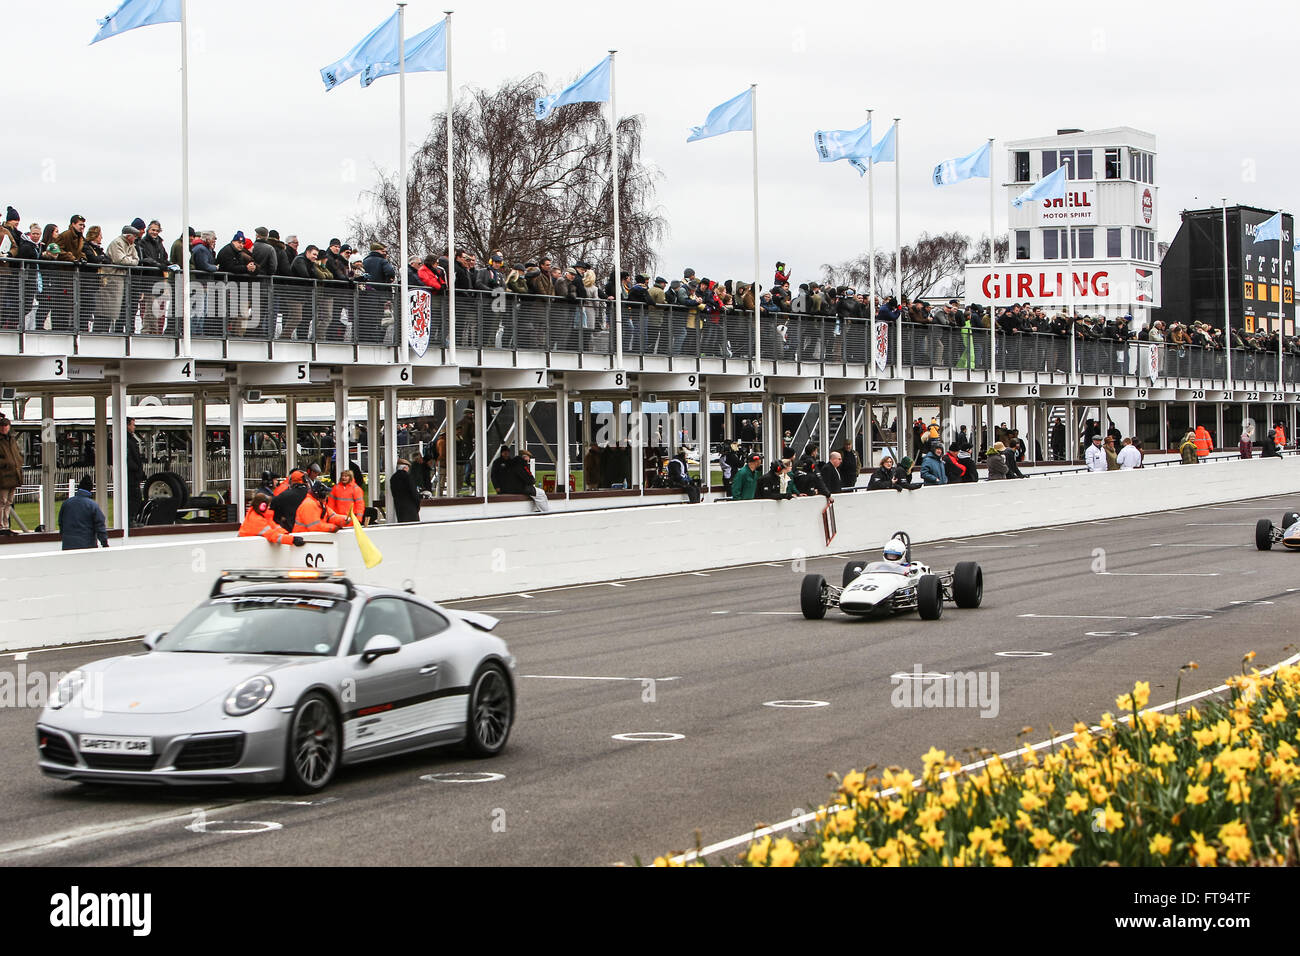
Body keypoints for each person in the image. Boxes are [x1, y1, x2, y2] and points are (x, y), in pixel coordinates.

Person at [59, 475, 108, 550]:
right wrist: (105, 544)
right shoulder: (92, 505)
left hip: (68, 545)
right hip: (87, 545)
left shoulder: (66, 503)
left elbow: (61, 523)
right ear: (90, 489)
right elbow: (100, 526)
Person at [238, 493, 303, 546]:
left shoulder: (263, 516)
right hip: (245, 547)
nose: (269, 507)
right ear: (262, 506)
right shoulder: (256, 520)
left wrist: (285, 534)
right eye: (268, 505)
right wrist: (291, 539)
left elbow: (275, 527)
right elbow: (272, 535)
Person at [0, 415, 20, 531]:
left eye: (5, 426)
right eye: (2, 426)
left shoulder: (12, 439)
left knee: (9, 502)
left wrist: (18, 462)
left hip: (14, 474)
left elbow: (16, 454)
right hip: (3, 476)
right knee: (2, 501)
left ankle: (6, 524)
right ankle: (1, 525)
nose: (4, 428)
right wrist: (6, 462)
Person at [126, 417, 146, 525]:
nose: (134, 427)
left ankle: (132, 518)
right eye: (133, 424)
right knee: (135, 497)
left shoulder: (131, 440)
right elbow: (129, 458)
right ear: (127, 425)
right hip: (131, 475)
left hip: (134, 474)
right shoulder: (127, 441)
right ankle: (130, 519)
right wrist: (136, 469)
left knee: (136, 497)